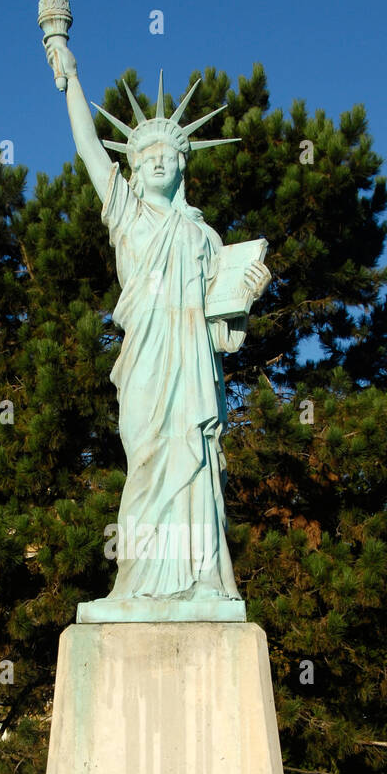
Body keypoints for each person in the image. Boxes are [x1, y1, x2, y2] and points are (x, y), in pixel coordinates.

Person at [47, 42, 271, 614]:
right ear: (133, 167)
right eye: (145, 154)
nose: (156, 160)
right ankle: (138, 583)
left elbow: (223, 329)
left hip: (194, 364)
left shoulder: (202, 236)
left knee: (191, 462)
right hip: (146, 361)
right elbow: (89, 147)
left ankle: (200, 584)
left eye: (167, 154)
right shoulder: (125, 212)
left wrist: (242, 299)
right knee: (146, 463)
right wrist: (68, 68)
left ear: (182, 166)